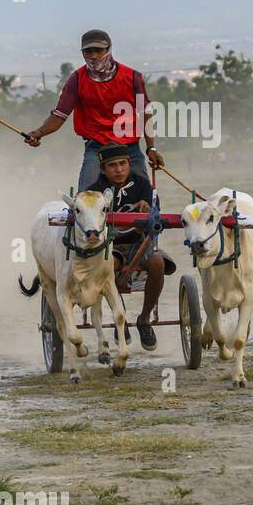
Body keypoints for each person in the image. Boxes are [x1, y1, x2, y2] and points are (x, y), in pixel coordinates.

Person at [25, 29, 165, 191]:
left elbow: (145, 113)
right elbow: (59, 115)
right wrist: (38, 133)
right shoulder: (76, 80)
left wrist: (151, 148)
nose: (93, 56)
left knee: (145, 196)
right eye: (88, 52)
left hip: (129, 147)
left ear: (109, 49)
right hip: (96, 148)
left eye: (98, 50)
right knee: (85, 198)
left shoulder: (132, 78)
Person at [85, 144, 174, 351]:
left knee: (158, 263)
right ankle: (120, 318)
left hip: (139, 243)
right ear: (103, 169)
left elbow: (156, 213)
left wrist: (148, 209)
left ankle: (144, 319)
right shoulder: (94, 193)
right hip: (108, 246)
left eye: (123, 164)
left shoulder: (142, 185)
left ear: (129, 164)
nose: (119, 169)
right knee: (109, 265)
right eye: (112, 165)